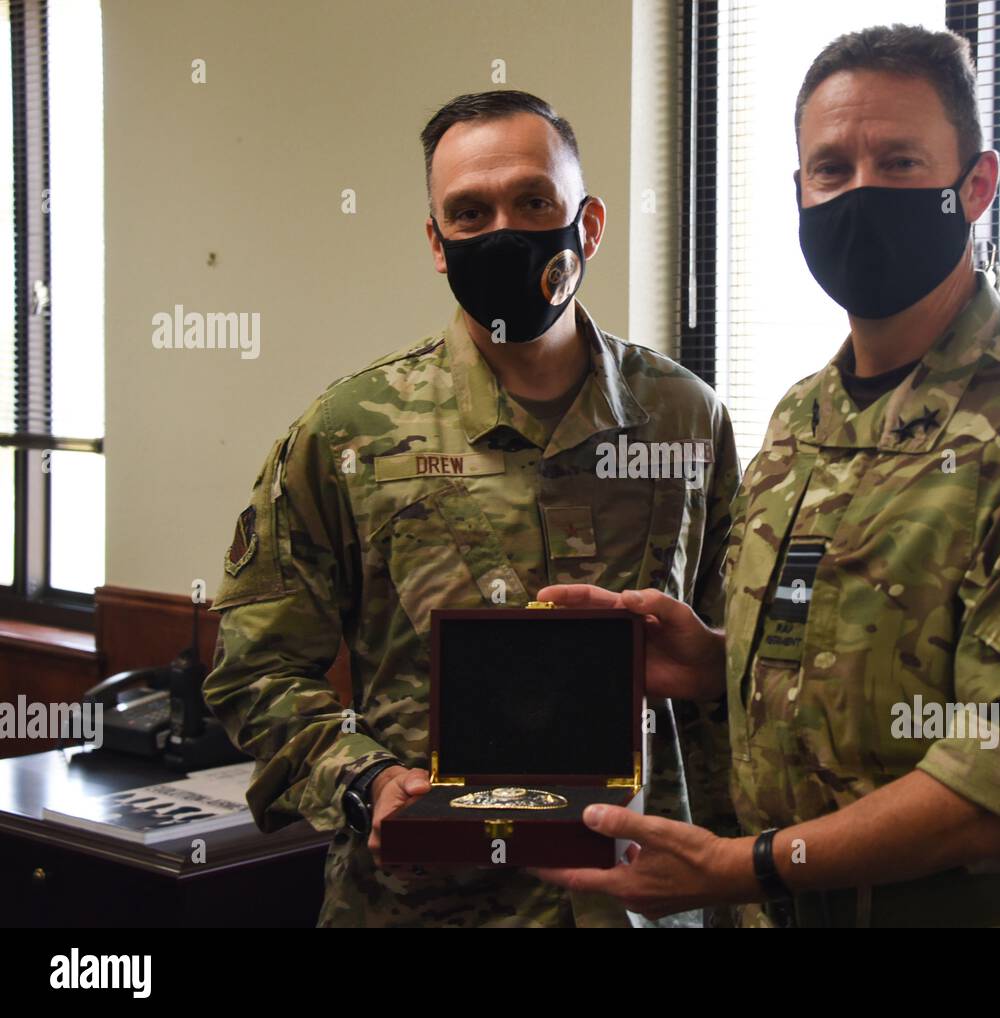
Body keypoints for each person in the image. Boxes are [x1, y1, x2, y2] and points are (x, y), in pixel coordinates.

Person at [533, 25, 1000, 928]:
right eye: (831, 169)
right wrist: (718, 663)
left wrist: (749, 866)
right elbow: (859, 677)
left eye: (902, 162)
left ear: (976, 187)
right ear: (800, 193)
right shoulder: (803, 420)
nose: (860, 191)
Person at [203, 90, 738, 927]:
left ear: (588, 224)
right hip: (426, 907)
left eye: (533, 202)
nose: (504, 233)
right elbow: (255, 667)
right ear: (436, 242)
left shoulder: (684, 417)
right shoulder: (351, 433)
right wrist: (366, 780)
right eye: (469, 212)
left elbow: (740, 664)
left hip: (643, 901)